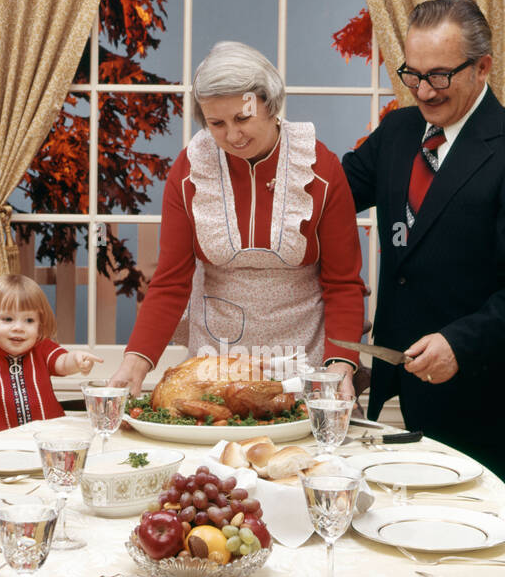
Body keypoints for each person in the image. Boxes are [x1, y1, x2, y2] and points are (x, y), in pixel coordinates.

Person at [342, 0, 505, 521]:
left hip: (491, 404)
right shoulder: (397, 132)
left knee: (480, 563)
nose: (423, 91)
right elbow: (331, 197)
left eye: (439, 76)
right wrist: (256, 139)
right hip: (400, 395)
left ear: (483, 66)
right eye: (413, 74)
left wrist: (458, 344)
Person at [109, 41, 366, 398]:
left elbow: (343, 285)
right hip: (215, 363)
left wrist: (340, 365)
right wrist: (135, 363)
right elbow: (170, 283)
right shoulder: (189, 173)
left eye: (242, 118)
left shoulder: (319, 169)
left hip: (300, 364)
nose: (232, 135)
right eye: (217, 123)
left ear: (270, 105)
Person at [0, 273, 102, 441]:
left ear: (39, 325)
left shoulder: (42, 350)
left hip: (46, 441)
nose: (18, 327)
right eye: (7, 319)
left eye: (29, 320)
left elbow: (62, 363)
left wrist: (77, 359)